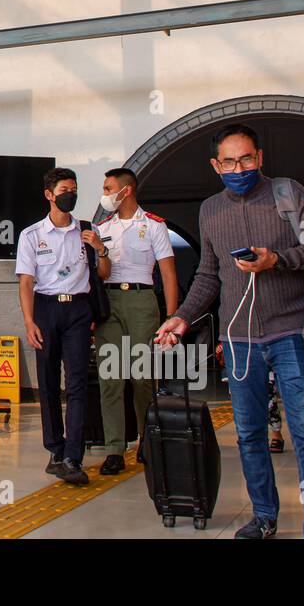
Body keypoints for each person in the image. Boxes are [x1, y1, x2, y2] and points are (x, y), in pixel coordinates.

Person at [155, 124, 304, 539]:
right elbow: (209, 274)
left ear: (259, 158)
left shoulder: (287, 194)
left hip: (292, 332)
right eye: (230, 162)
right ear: (216, 166)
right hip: (239, 339)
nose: (239, 169)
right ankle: (264, 517)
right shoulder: (210, 210)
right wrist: (182, 317)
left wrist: (279, 259)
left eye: (246, 159)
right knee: (249, 434)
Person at [17, 167, 112, 485]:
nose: (70, 195)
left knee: (76, 384)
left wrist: (100, 248)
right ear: (49, 195)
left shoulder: (87, 230)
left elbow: (104, 273)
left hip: (79, 311)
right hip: (45, 308)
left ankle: (73, 456)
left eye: (74, 190)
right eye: (64, 191)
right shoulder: (32, 235)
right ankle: (55, 449)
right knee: (47, 383)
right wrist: (29, 321)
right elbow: (26, 282)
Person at [94, 167, 179, 475]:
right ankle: (114, 449)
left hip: (142, 301)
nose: (104, 195)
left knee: (142, 376)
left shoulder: (154, 225)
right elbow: (99, 272)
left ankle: (147, 439)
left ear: (126, 190)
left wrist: (172, 318)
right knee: (111, 378)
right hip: (109, 302)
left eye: (108, 188)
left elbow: (168, 273)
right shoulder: (103, 227)